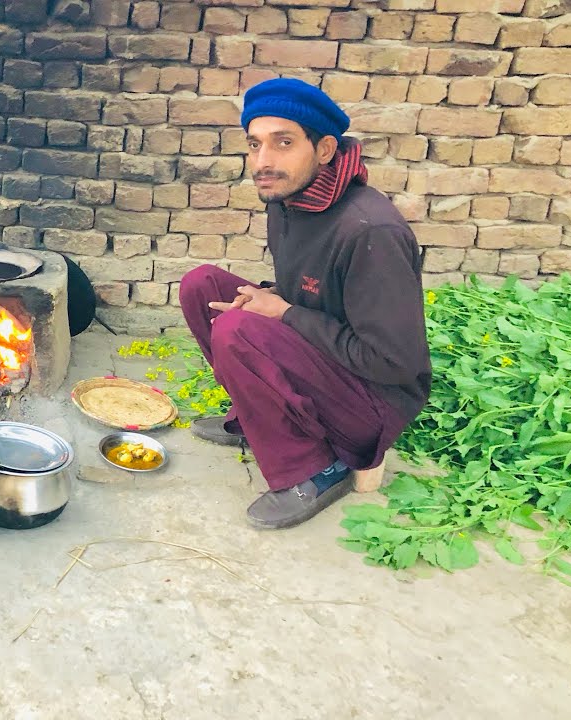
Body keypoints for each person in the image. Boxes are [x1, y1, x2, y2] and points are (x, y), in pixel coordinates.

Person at [179, 78, 431, 529]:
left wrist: (285, 313)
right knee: (203, 286)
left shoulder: (371, 232)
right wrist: (276, 296)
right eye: (254, 145)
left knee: (240, 330)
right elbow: (315, 289)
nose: (263, 162)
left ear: (326, 149)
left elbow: (394, 364)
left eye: (284, 143)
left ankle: (316, 469)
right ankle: (259, 418)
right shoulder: (290, 199)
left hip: (372, 404)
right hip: (328, 362)